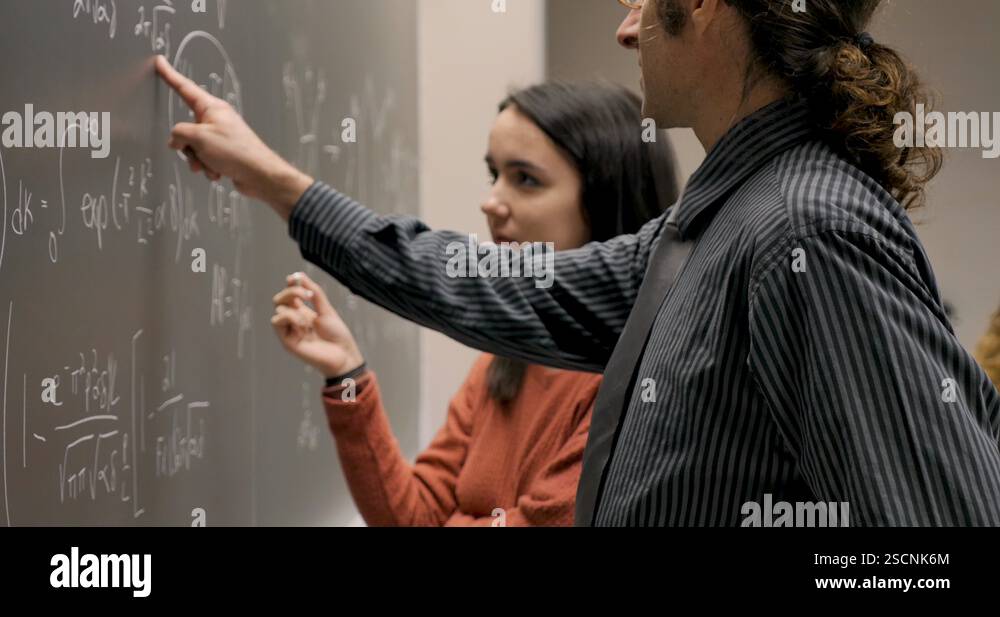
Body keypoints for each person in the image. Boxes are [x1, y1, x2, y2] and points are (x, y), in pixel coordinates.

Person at [155, 0, 1000, 526]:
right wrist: (274, 181)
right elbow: (481, 281)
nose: (625, 26)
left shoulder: (803, 228)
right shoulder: (714, 221)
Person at [268, 83, 679, 526]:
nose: (491, 203)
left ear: (606, 197)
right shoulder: (503, 360)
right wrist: (347, 372)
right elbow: (414, 515)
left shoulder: (638, 380)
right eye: (493, 175)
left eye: (525, 179)